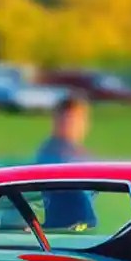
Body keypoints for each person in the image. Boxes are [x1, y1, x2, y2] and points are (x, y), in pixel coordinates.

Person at [35, 93, 96, 230]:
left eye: (76, 121)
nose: (71, 126)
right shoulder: (50, 157)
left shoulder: (83, 156)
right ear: (56, 122)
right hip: (63, 229)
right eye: (66, 121)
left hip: (82, 227)